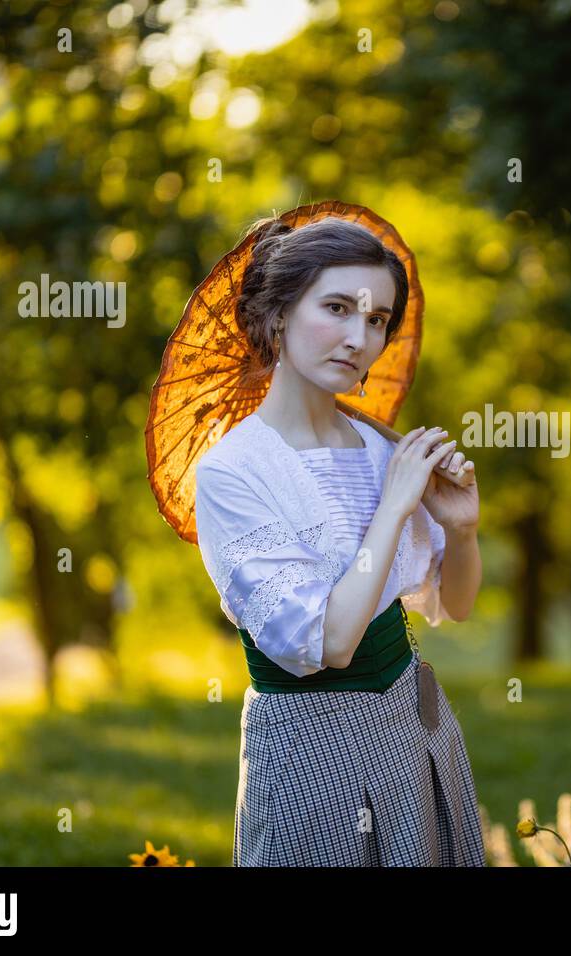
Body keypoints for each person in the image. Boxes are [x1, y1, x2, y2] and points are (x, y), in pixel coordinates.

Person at [193, 215, 485, 865]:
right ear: (277, 316)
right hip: (309, 752)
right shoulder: (232, 473)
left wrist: (462, 531)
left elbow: (454, 606)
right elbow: (326, 642)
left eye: (378, 319)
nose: (359, 337)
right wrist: (393, 506)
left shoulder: (386, 448)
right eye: (336, 308)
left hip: (415, 732)